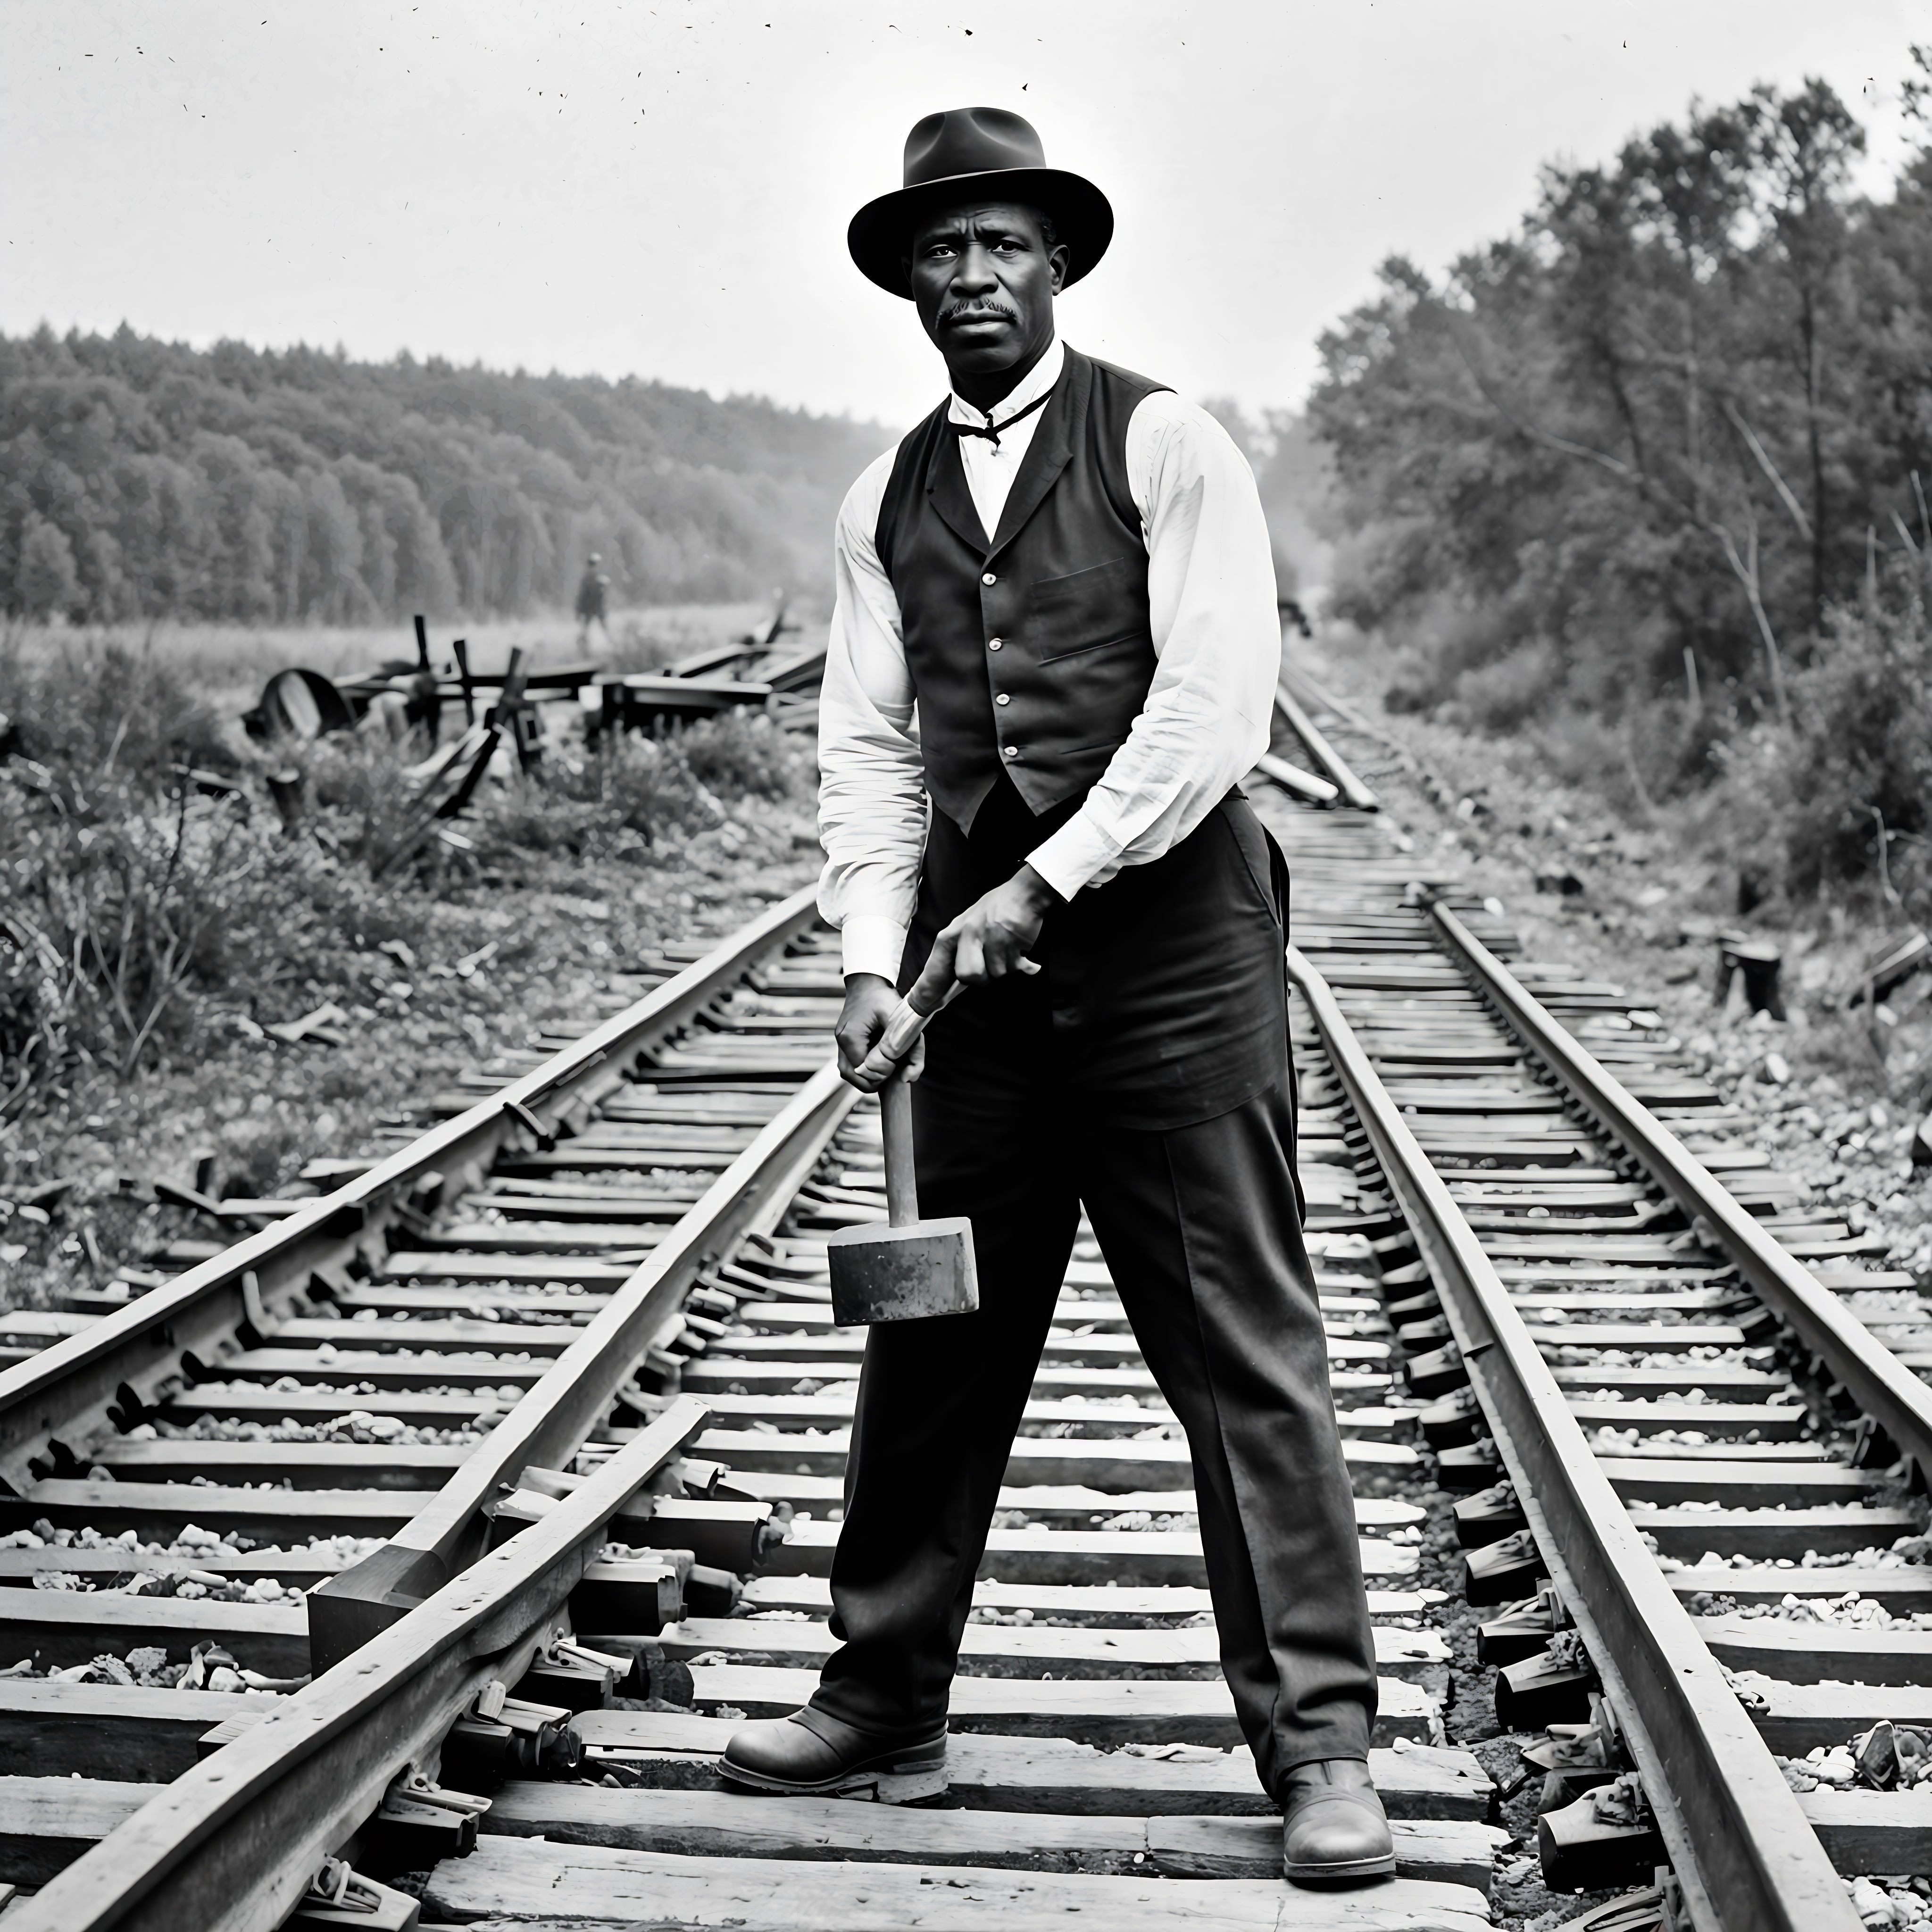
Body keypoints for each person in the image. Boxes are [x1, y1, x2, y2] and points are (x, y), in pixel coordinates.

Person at [719, 106, 1392, 1888]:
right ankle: (882, 1686)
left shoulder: (1167, 445)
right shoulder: (884, 500)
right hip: (978, 991)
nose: (973, 277)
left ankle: (1320, 1744)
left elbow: (1209, 715)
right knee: (934, 1334)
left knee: (1242, 1351)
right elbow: (868, 747)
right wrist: (875, 962)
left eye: (1001, 244)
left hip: (1173, 963)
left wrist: (1044, 879)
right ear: (911, 286)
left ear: (1057, 262)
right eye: (942, 253)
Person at [575, 553, 611, 645]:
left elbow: (582, 595)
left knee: (586, 629)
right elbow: (596, 594)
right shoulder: (597, 577)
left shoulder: (588, 577)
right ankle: (613, 645)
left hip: (590, 607)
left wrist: (578, 610)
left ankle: (583, 646)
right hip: (594, 607)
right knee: (603, 629)